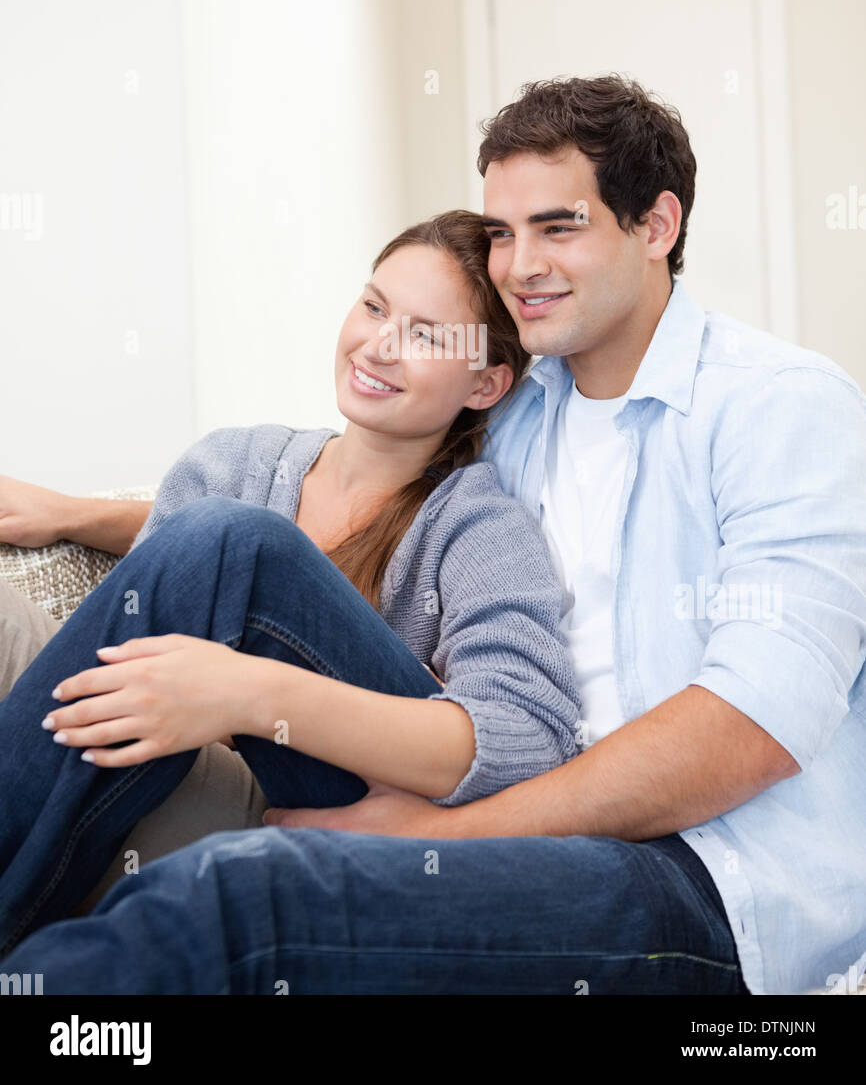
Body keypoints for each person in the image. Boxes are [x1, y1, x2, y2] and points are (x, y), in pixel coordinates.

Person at [3, 74, 865, 996]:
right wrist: (81, 512)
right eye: (503, 232)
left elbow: (750, 730)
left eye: (559, 227)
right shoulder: (521, 413)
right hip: (497, 793)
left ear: (655, 227)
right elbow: (334, 502)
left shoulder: (780, 408)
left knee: (234, 896)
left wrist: (438, 835)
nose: (520, 264)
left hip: (694, 881)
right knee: (233, 545)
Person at [0, 209, 583, 955]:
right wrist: (72, 517)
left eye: (427, 335)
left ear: (486, 383)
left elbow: (529, 738)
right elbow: (118, 643)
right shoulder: (230, 463)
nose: (378, 344)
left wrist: (249, 696)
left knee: (234, 538)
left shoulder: (477, 528)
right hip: (150, 779)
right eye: (374, 307)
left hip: (294, 816)